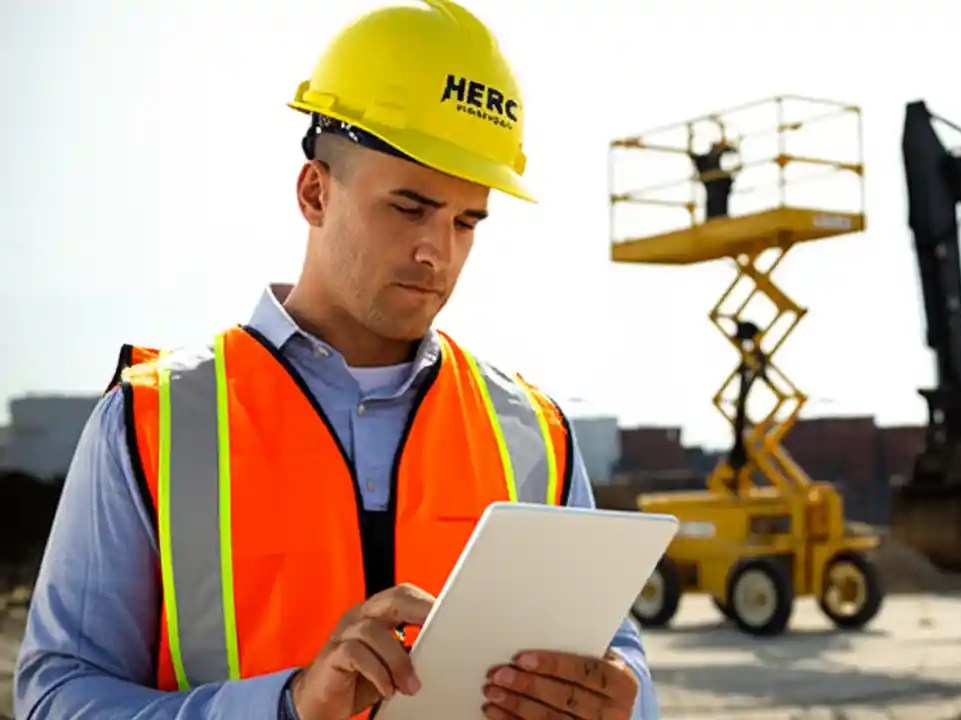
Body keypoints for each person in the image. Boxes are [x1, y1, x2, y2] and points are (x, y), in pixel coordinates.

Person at [13, 2, 659, 719]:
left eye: (466, 221)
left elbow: (618, 656)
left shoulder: (537, 434)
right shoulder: (149, 423)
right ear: (315, 192)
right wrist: (282, 708)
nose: (437, 252)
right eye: (409, 208)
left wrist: (619, 702)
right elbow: (57, 698)